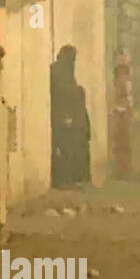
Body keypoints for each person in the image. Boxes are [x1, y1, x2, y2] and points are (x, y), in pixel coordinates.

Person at [50, 44, 90, 189]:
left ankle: (72, 178)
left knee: (72, 148)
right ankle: (63, 180)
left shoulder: (65, 70)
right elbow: (62, 95)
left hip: (69, 117)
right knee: (64, 149)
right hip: (63, 117)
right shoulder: (58, 71)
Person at [111, 49, 134, 179]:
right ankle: (122, 170)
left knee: (125, 143)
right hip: (120, 111)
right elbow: (122, 93)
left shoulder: (126, 75)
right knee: (121, 142)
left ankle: (124, 170)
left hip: (124, 111)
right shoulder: (121, 77)